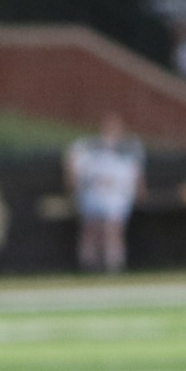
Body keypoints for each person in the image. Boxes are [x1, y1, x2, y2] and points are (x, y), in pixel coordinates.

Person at [65, 113, 146, 275]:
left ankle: (113, 269)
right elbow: (72, 162)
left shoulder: (129, 148)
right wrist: (73, 187)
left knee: (112, 230)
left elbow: (136, 173)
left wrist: (140, 190)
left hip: (116, 195)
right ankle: (90, 267)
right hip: (94, 193)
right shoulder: (90, 146)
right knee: (91, 231)